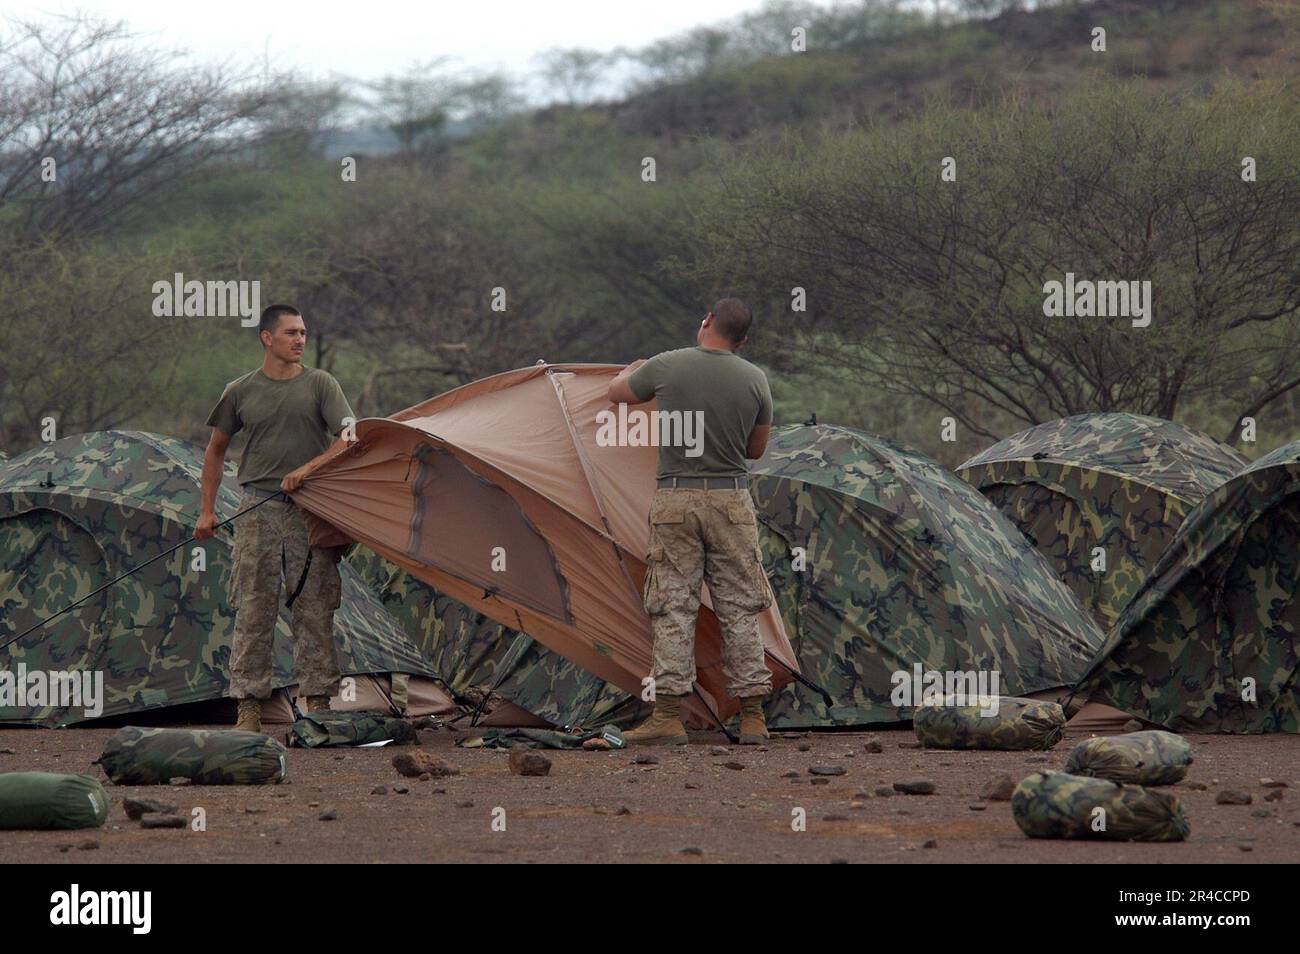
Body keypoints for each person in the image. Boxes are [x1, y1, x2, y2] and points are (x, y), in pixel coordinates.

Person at [606, 298, 775, 745]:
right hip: (732, 500)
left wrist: (630, 371)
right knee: (740, 608)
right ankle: (753, 718)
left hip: (676, 500)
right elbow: (755, 451)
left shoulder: (666, 365)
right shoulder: (756, 379)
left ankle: (667, 717)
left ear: (706, 322)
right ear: (742, 340)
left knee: (673, 606)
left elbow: (617, 394)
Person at [196, 304, 354, 734]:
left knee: (316, 606)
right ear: (267, 338)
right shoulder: (241, 390)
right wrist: (207, 510)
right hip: (256, 508)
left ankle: (318, 707)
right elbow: (215, 451)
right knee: (253, 607)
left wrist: (308, 469)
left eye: (303, 332)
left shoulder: (321, 384)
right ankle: (249, 708)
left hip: (310, 510)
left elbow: (349, 437)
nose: (300, 339)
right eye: (291, 332)